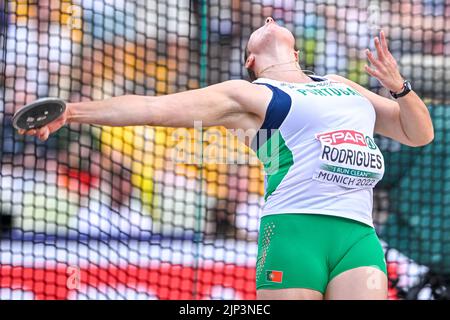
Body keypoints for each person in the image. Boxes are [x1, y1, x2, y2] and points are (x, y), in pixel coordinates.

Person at [18, 17, 434, 300]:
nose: (269, 20)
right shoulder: (249, 95)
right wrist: (73, 112)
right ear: (249, 60)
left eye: (272, 20)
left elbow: (418, 133)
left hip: (358, 236)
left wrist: (399, 87)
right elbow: (153, 107)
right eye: (262, 24)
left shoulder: (341, 85)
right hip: (295, 232)